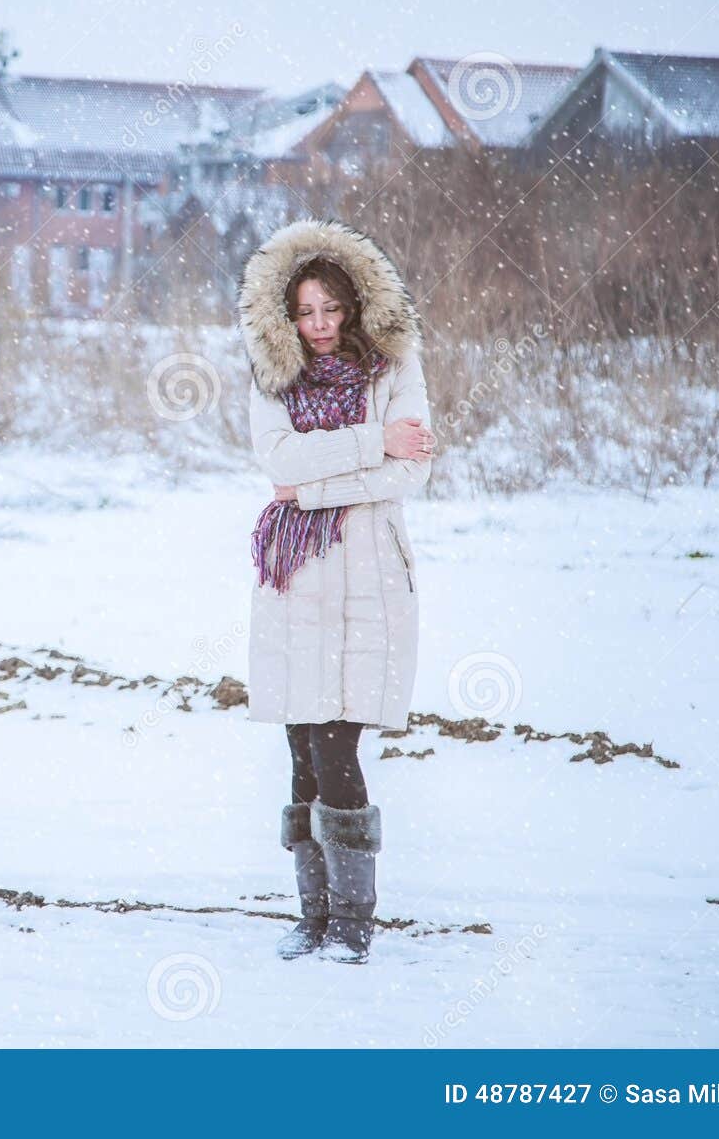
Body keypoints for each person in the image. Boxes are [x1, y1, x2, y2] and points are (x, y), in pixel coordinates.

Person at [237, 218, 436, 964]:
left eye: (331, 309)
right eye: (305, 312)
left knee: (337, 741)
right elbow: (276, 460)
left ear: (354, 305)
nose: (320, 326)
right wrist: (368, 443)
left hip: (369, 576)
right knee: (300, 743)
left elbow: (410, 468)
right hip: (295, 579)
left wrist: (314, 483)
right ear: (287, 318)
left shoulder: (395, 363)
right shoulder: (272, 374)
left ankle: (354, 922)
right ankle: (312, 915)